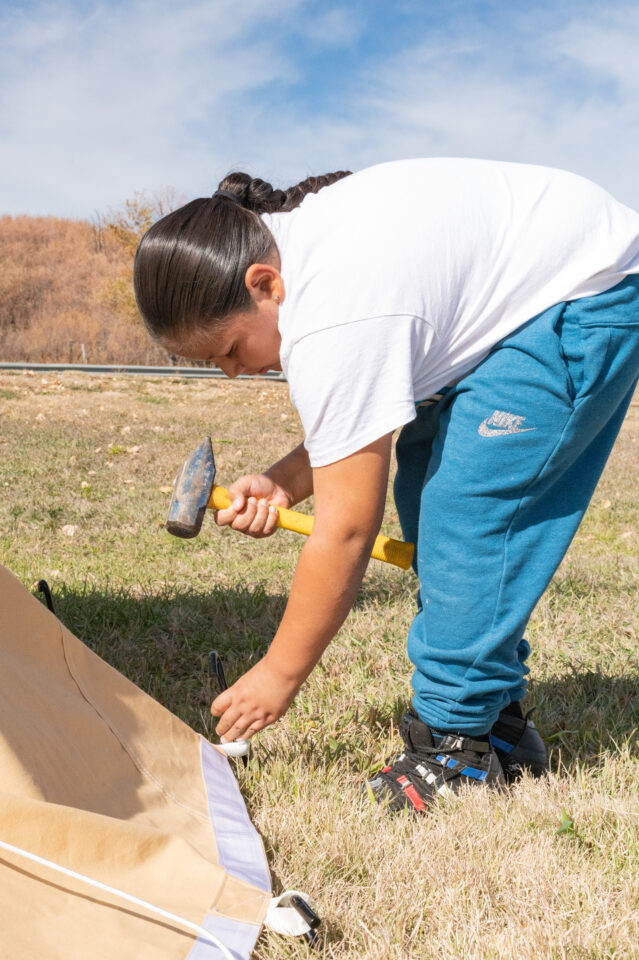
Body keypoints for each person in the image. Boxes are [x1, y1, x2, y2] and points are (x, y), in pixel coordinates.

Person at [134, 159, 639, 813]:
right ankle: (499, 726)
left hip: (577, 292)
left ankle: (453, 745)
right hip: (501, 309)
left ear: (262, 284)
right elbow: (357, 426)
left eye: (228, 349)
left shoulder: (333, 313)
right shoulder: (302, 265)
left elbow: (346, 532)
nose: (232, 373)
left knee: (469, 519)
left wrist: (278, 675)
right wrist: (284, 484)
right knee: (427, 508)